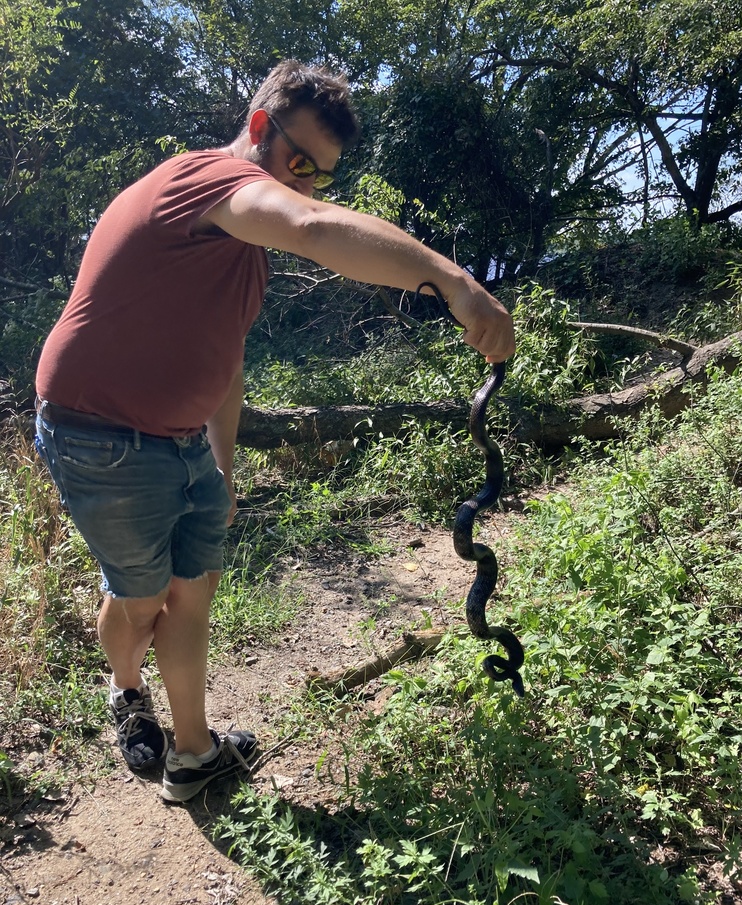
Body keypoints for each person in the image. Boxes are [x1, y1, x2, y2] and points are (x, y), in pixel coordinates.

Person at [34, 60, 516, 804]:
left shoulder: (245, 261)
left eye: (320, 176)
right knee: (143, 600)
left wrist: (222, 467)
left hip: (184, 440)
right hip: (99, 433)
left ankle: (192, 755)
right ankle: (127, 691)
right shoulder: (199, 180)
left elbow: (225, 365)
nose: (307, 186)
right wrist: (456, 284)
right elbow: (312, 227)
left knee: (194, 592)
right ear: (259, 127)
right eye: (299, 164)